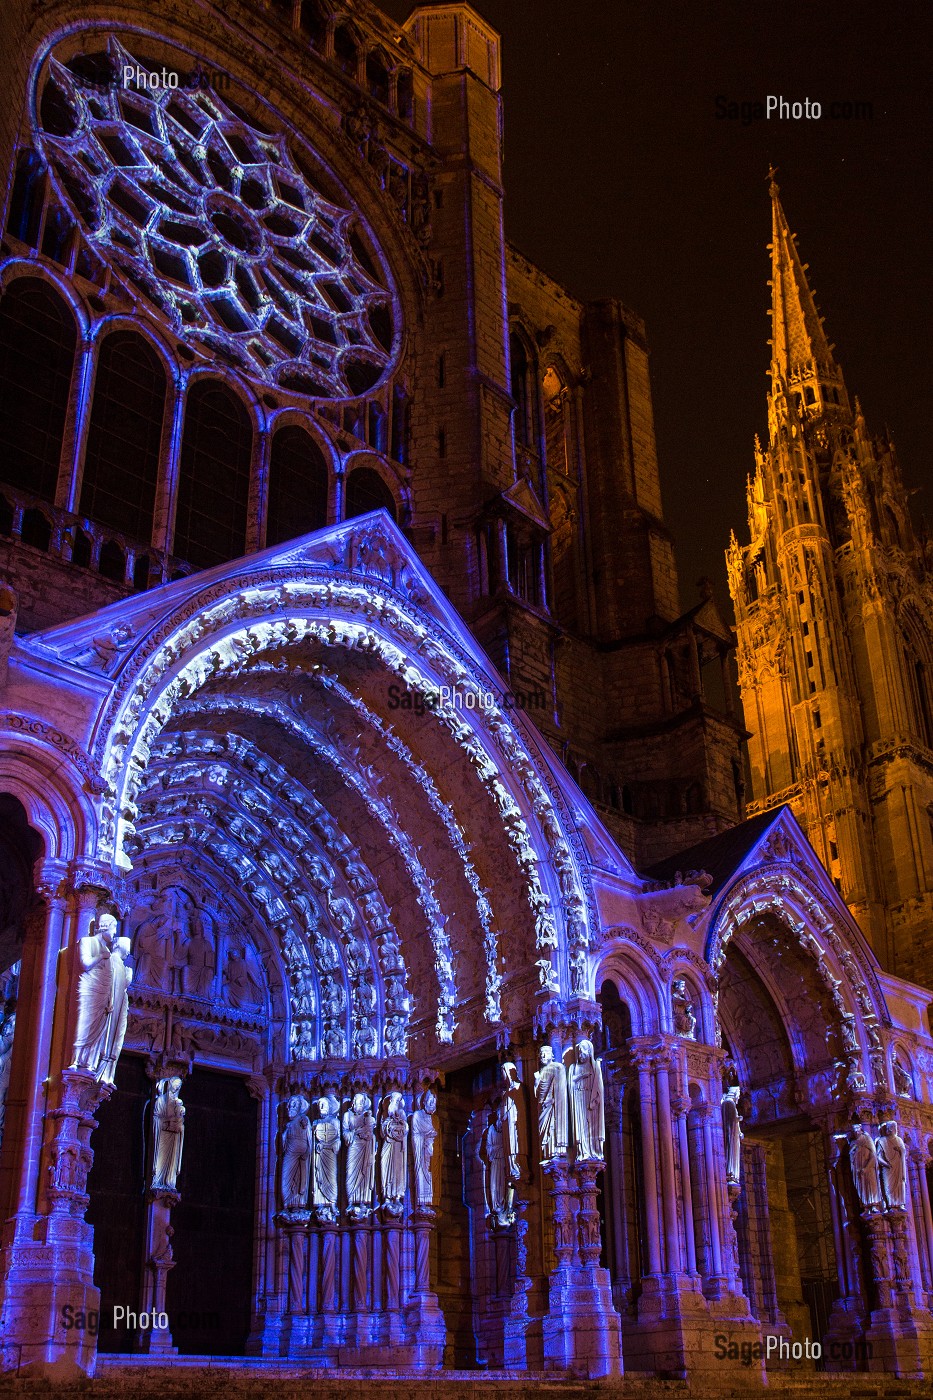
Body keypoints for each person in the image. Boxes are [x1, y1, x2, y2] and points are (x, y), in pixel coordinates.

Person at [71, 913, 116, 1075]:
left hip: (103, 995)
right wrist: (100, 956)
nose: (115, 932)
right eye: (113, 927)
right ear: (105, 926)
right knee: (83, 1024)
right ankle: (75, 1060)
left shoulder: (108, 951)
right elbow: (84, 964)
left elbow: (109, 978)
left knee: (98, 1031)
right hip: (89, 990)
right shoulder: (87, 941)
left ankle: (88, 1063)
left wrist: (110, 999)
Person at [534, 1045, 568, 1160]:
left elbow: (560, 1089)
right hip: (543, 1107)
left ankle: (556, 1152)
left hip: (553, 1106)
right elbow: (537, 1094)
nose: (543, 1055)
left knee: (552, 1128)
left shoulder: (557, 1067)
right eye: (541, 1053)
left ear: (552, 1055)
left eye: (546, 1053)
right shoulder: (541, 1072)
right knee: (544, 1131)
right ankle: (548, 1153)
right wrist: (536, 1082)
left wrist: (551, 1100)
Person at [152, 1077, 185, 1190]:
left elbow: (181, 1120)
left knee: (171, 1162)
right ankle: (157, 1180)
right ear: (170, 1084)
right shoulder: (161, 1100)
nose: (176, 1088)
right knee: (160, 1160)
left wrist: (179, 1126)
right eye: (175, 1085)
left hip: (174, 1137)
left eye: (178, 1086)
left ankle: (169, 1182)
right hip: (162, 1136)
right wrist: (167, 1121)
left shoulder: (178, 1103)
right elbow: (156, 1118)